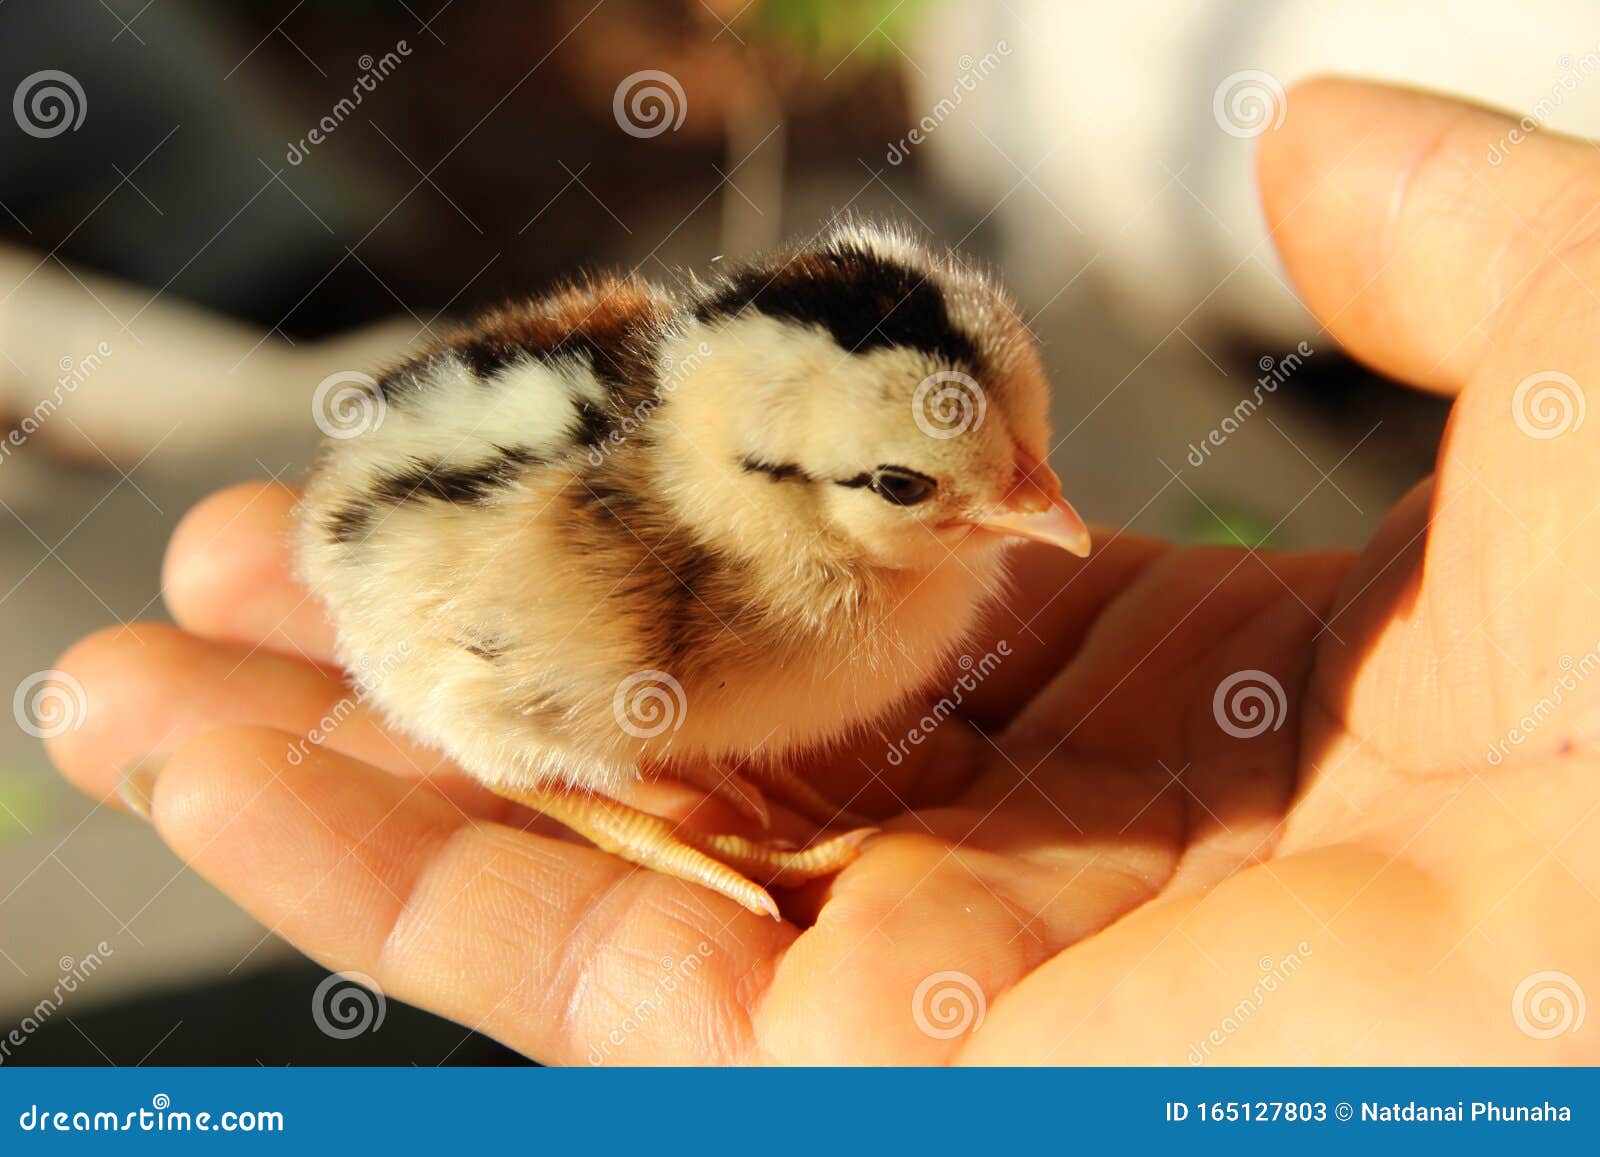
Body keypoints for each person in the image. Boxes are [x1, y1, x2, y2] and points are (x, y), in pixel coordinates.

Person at [45, 79, 1600, 1064]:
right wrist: (634, 821)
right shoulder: (646, 581)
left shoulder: (812, 475)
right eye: (924, 488)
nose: (1047, 509)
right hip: (460, 558)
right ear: (774, 486)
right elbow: (428, 602)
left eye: (1033, 441)